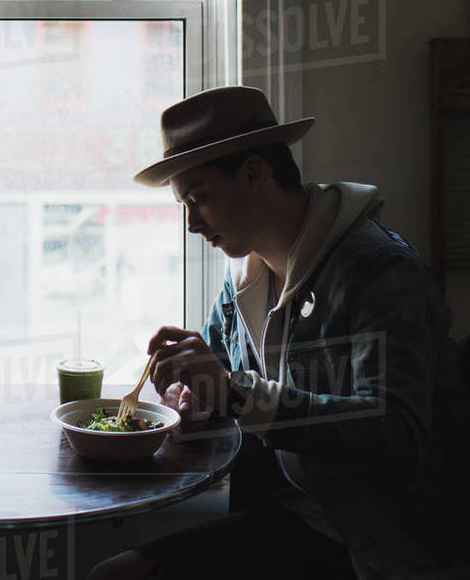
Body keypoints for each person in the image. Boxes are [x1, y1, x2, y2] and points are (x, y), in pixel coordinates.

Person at [86, 86, 470, 580]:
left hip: (397, 539)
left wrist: (239, 396)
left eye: (199, 199)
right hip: (308, 514)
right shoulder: (245, 276)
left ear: (253, 174)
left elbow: (397, 433)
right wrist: (191, 392)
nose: (192, 225)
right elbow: (220, 377)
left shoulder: (379, 273)